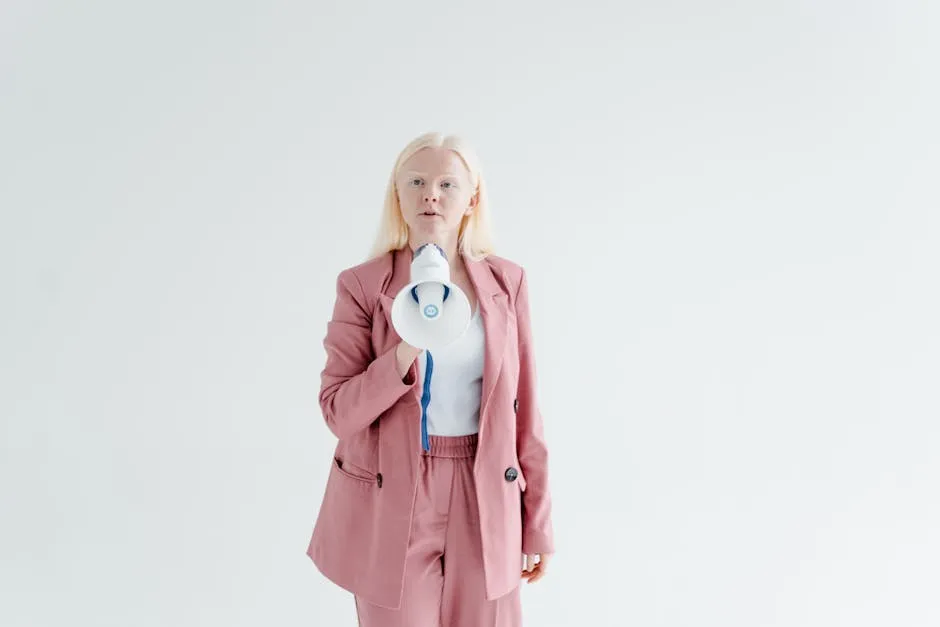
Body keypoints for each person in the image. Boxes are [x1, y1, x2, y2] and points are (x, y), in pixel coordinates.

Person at [305, 131, 555, 627]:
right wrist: (407, 345)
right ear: (397, 195)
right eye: (415, 181)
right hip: (394, 489)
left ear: (472, 198)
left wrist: (538, 523)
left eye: (446, 183)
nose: (430, 195)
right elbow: (339, 411)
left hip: (483, 486)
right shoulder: (361, 286)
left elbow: (525, 409)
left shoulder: (507, 283)